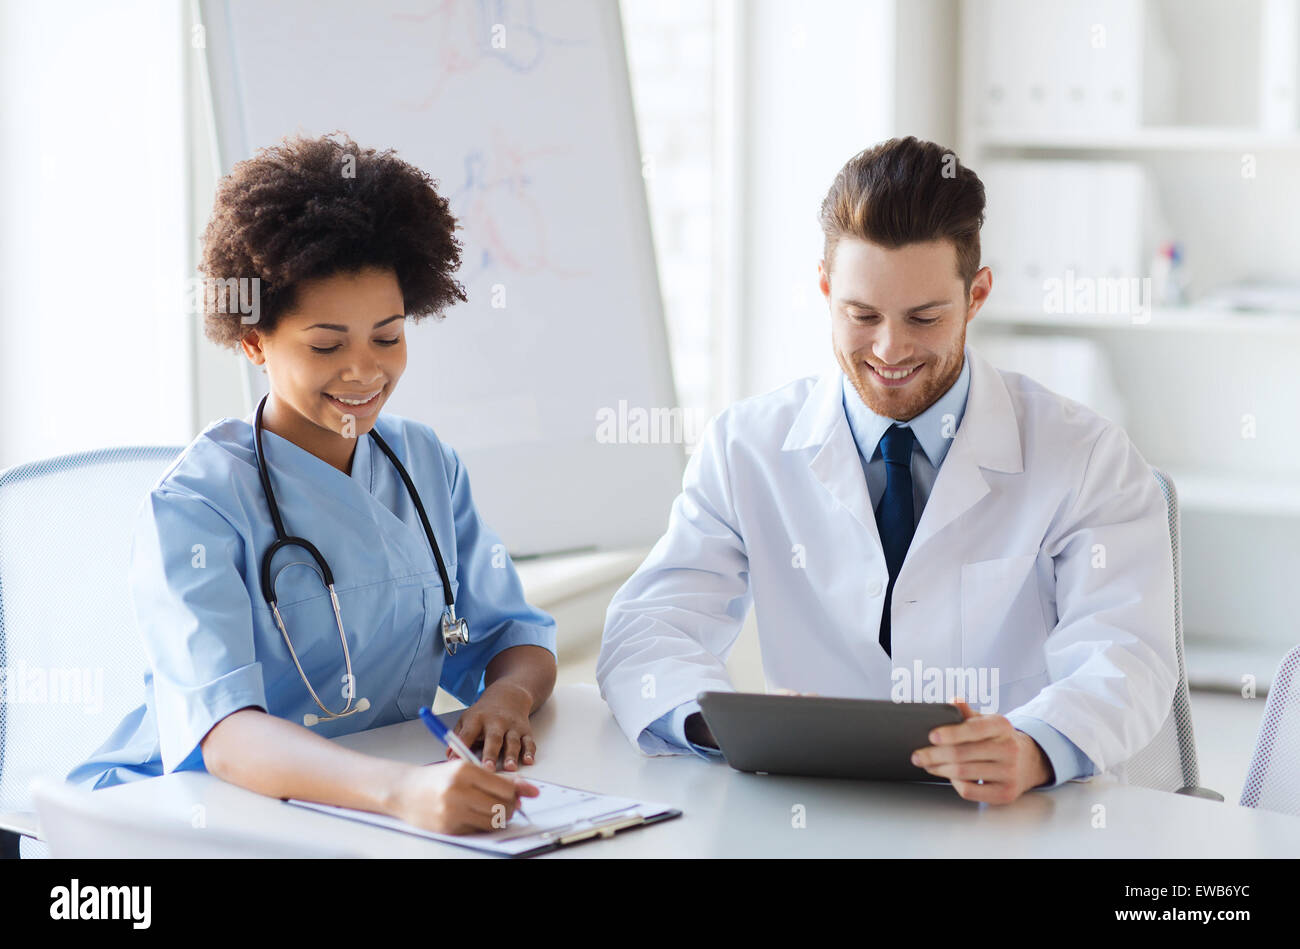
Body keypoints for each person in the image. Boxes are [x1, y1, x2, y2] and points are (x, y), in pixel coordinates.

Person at [597, 136, 1176, 805]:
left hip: (1017, 817)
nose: (889, 348)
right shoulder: (745, 447)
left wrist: (1038, 743)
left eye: (924, 317)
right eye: (861, 314)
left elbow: (1129, 652)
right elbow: (648, 627)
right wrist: (721, 726)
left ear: (977, 295)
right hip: (817, 812)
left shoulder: (1085, 455)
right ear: (824, 287)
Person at [68, 132, 557, 834]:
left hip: (360, 809)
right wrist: (400, 793)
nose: (364, 371)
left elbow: (517, 633)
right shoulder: (197, 506)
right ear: (255, 342)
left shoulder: (426, 465)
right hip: (185, 818)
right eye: (327, 345)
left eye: (387, 337)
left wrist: (508, 697)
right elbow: (227, 733)